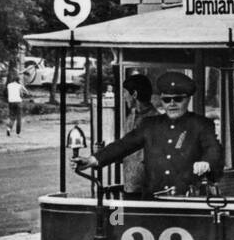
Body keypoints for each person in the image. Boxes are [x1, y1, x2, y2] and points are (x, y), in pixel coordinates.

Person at [76, 70, 222, 197]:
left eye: (178, 99)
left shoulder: (200, 124)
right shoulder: (150, 125)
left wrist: (206, 162)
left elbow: (213, 149)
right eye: (166, 100)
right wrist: (93, 160)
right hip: (153, 201)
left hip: (186, 202)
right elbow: (124, 145)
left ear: (188, 99)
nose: (172, 104)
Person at [121, 74, 159, 195]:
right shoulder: (130, 117)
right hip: (130, 187)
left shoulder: (157, 121)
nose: (123, 96)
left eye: (125, 92)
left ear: (134, 94)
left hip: (149, 191)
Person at [6, 69, 29, 136]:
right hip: (18, 102)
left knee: (12, 116)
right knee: (19, 117)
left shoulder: (9, 85)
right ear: (18, 80)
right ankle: (18, 133)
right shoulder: (19, 86)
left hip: (11, 102)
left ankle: (9, 129)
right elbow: (26, 92)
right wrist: (21, 85)